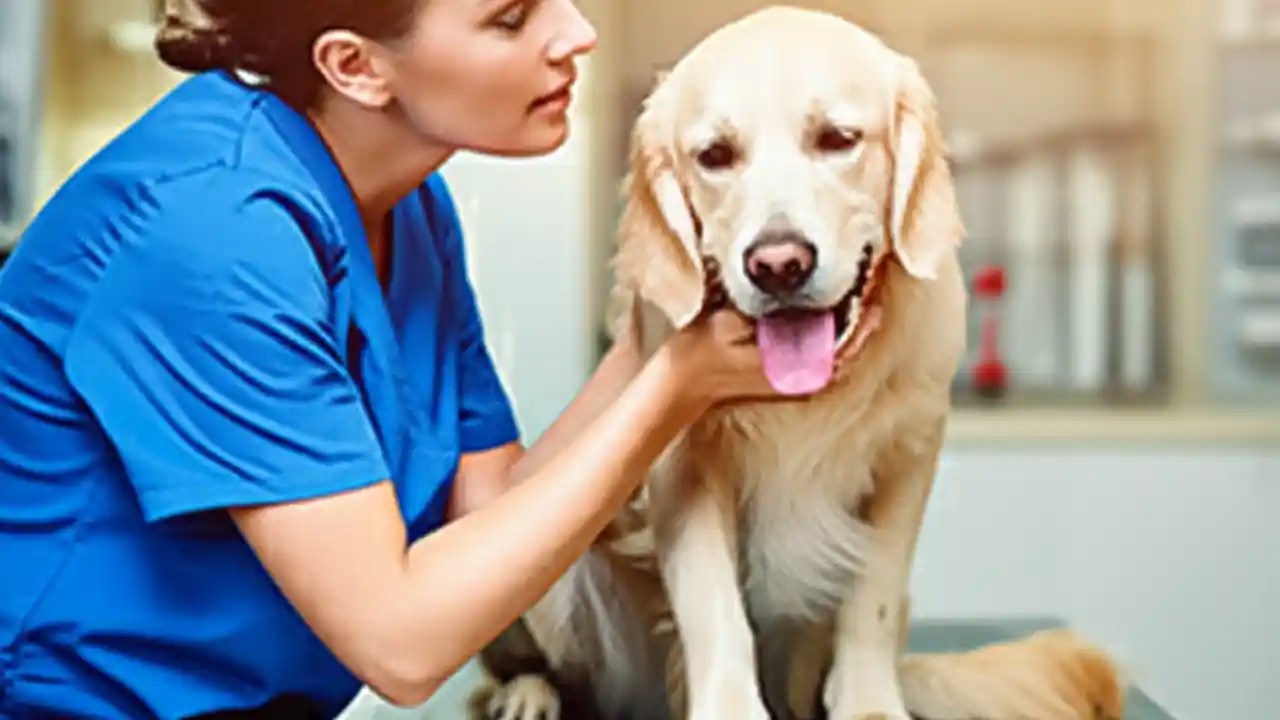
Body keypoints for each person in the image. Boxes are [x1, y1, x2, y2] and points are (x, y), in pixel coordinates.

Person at [0, 1, 804, 718]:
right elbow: (404, 648)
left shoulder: (407, 203)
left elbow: (494, 519)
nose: (577, 33)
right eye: (512, 18)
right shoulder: (216, 229)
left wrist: (653, 337)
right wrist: (676, 387)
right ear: (356, 66)